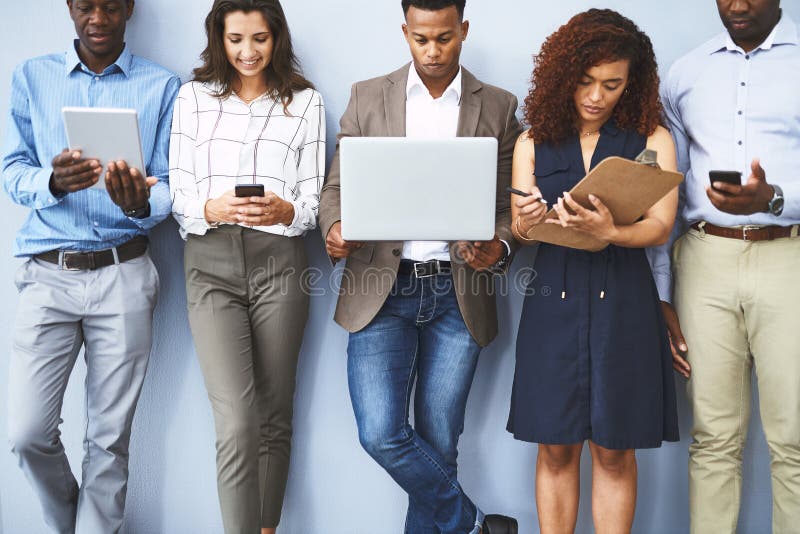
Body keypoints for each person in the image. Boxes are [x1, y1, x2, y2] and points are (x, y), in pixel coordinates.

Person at [318, 1, 519, 532]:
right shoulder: (367, 95)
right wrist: (334, 230)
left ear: (464, 31)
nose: (433, 52)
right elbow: (337, 186)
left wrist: (496, 247)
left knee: (438, 443)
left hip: (460, 292)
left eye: (445, 39)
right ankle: (475, 525)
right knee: (381, 433)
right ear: (405, 32)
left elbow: (509, 206)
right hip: (381, 288)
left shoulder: (498, 105)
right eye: (422, 39)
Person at [1, 0, 179, 532]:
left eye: (109, 6)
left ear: (128, 9)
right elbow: (12, 171)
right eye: (84, 6)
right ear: (69, 8)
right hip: (48, 272)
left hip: (124, 272)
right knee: (26, 433)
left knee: (108, 438)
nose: (96, 17)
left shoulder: (162, 87)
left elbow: (171, 184)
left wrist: (139, 203)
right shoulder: (33, 77)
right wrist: (52, 182)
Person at [507, 9, 680, 534]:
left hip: (624, 304)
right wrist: (528, 221)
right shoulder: (532, 140)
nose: (596, 96)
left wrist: (613, 234)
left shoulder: (652, 138)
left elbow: (661, 227)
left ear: (633, 83)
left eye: (612, 84)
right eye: (585, 81)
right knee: (555, 448)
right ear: (564, 75)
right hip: (551, 308)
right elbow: (519, 228)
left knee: (613, 450)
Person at [169, 0, 324, 532]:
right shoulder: (192, 98)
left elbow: (312, 203)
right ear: (219, 38)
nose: (248, 51)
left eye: (259, 38)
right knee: (236, 420)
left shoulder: (305, 103)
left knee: (274, 413)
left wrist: (287, 210)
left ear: (276, 37)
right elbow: (178, 194)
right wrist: (209, 207)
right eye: (236, 39)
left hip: (280, 261)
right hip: (209, 261)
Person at [651, 1, 800, 532]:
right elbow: (668, 188)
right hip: (703, 259)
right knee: (713, 437)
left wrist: (775, 197)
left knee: (796, 441)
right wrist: (662, 291)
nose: (736, 5)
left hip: (790, 257)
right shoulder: (685, 73)